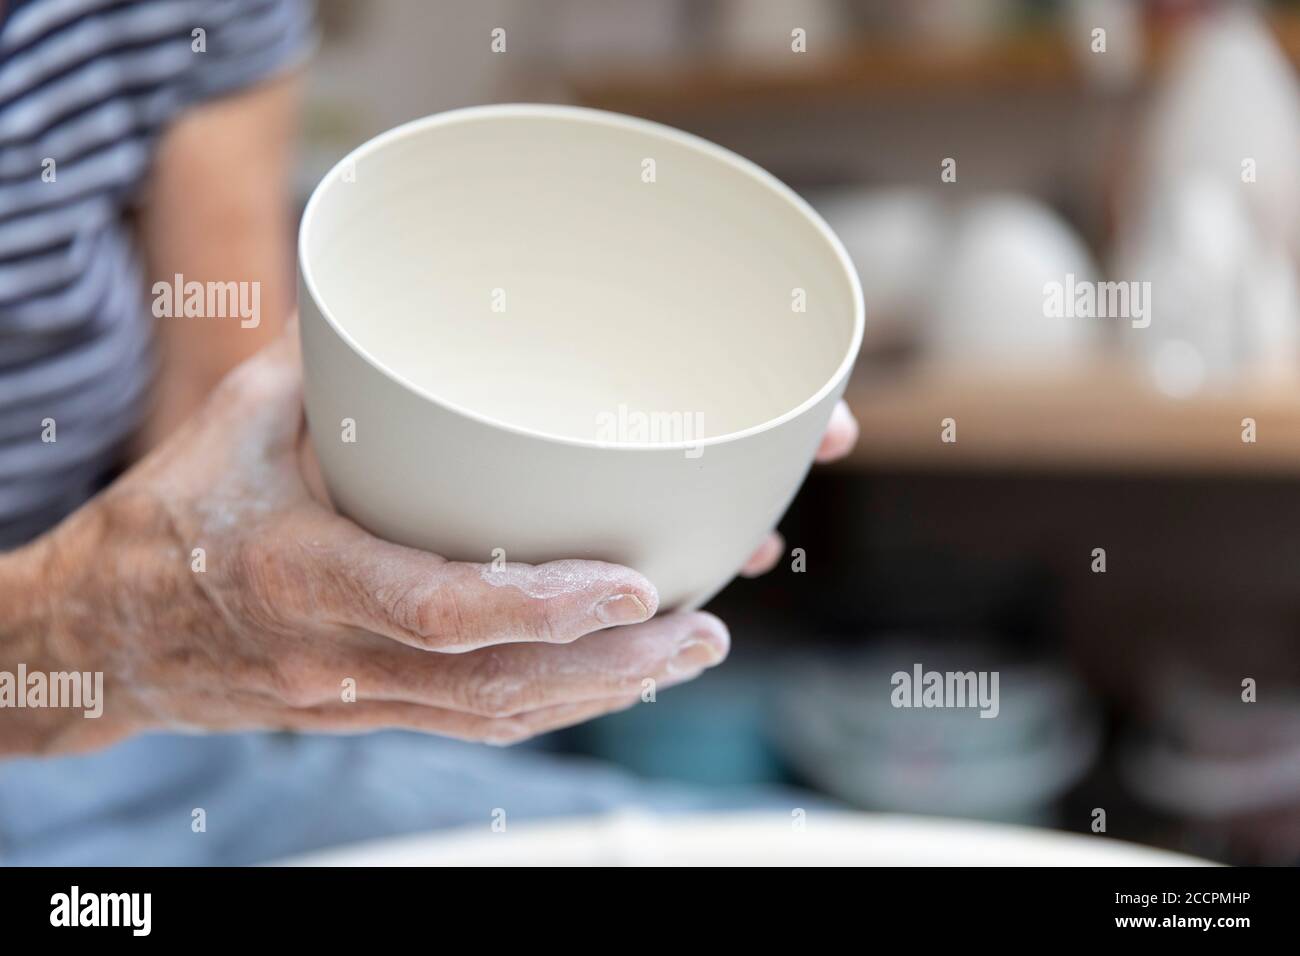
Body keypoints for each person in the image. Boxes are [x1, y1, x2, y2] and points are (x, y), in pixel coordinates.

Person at [0, 0, 859, 863]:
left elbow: (201, 452)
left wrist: (734, 449)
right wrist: (80, 629)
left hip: (172, 754)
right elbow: (136, 607)